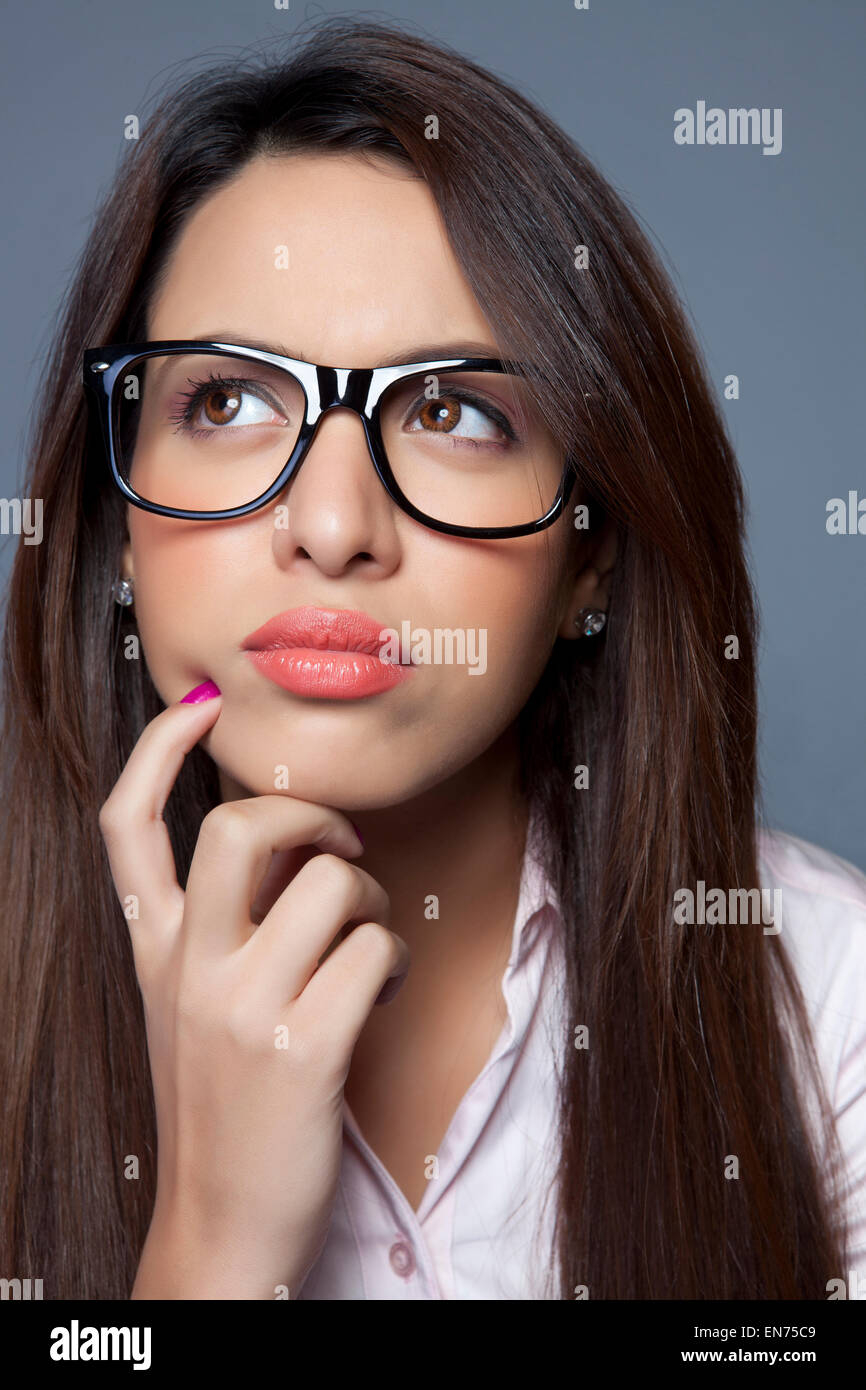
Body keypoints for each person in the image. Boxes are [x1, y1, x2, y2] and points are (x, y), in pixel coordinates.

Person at [1, 16, 863, 1301]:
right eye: (227, 401)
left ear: (589, 551)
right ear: (118, 526)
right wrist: (211, 1247)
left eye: (454, 411)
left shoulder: (830, 1003)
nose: (335, 529)